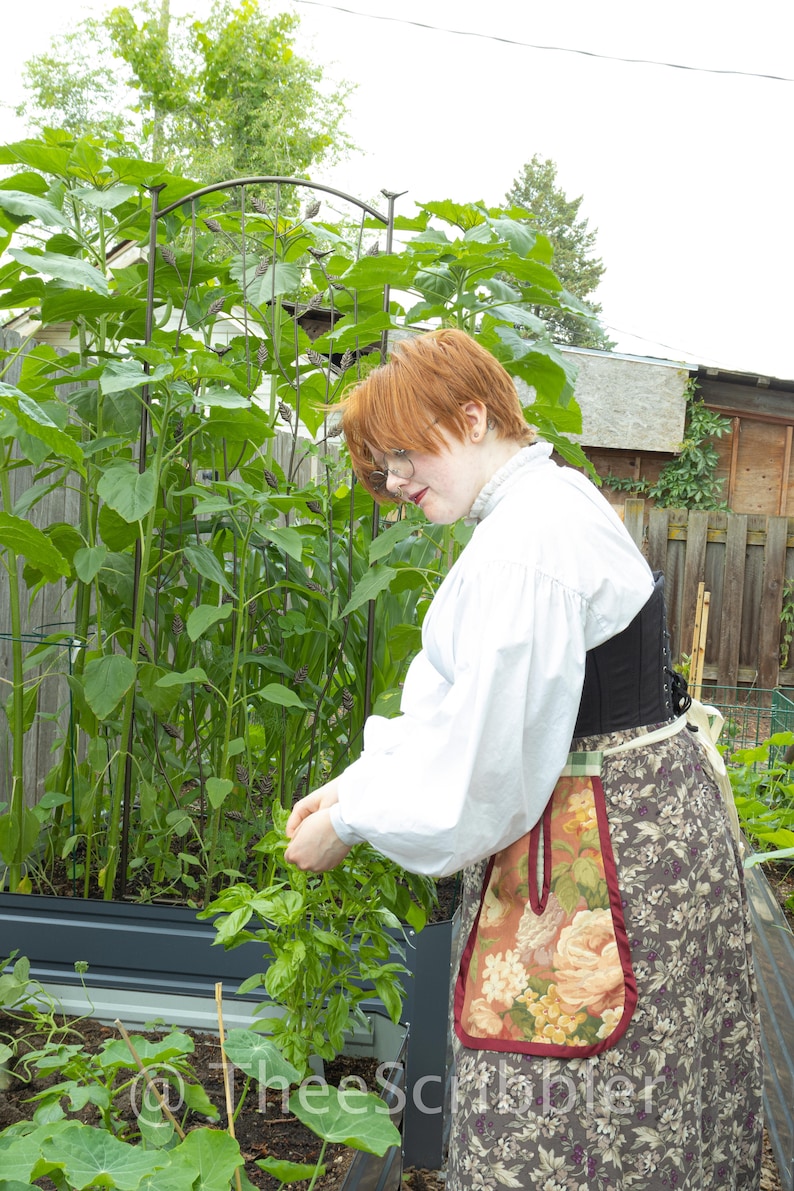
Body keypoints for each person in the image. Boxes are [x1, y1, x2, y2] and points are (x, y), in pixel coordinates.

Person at [285, 328, 762, 1190]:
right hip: (636, 832)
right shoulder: (544, 506)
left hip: (607, 852)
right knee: (639, 1109)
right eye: (382, 467)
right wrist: (353, 783)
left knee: (572, 1117)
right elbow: (457, 704)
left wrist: (349, 824)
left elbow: (485, 776)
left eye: (401, 454)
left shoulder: (525, 546)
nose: (393, 482)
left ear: (471, 417)